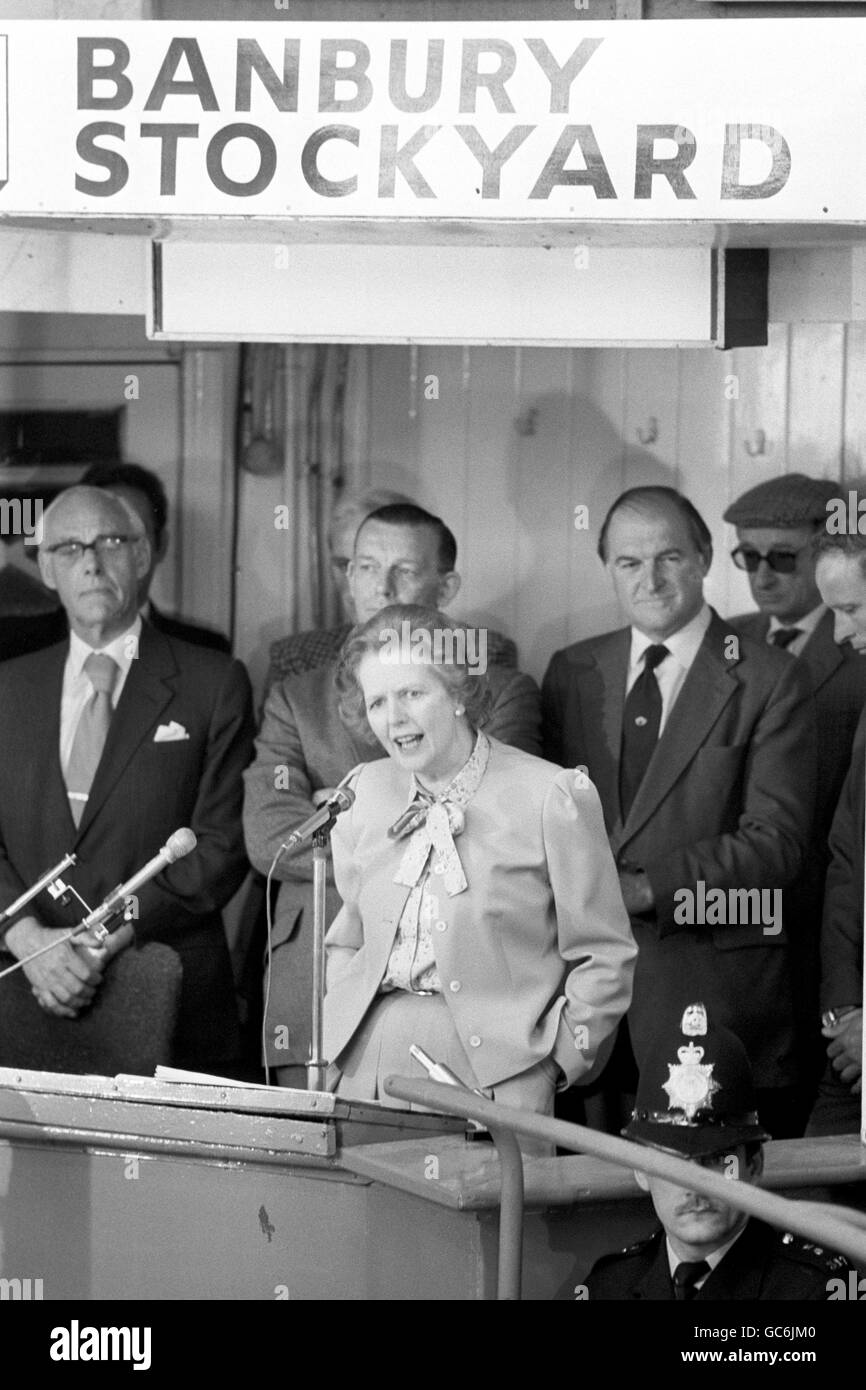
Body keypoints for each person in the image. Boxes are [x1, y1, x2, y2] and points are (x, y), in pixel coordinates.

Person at [541, 486, 816, 1138]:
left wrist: (645, 886)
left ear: (704, 558)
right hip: (585, 1004)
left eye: (669, 557)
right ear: (607, 566)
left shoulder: (770, 677)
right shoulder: (572, 671)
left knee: (714, 1214)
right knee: (593, 1214)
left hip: (717, 1002)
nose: (651, 579)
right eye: (628, 563)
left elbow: (777, 843)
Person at [243, 503, 541, 1086]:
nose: (380, 588)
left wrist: (340, 814)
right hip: (315, 982)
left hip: (464, 989)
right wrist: (413, 825)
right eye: (364, 567)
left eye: (404, 570)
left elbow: (484, 827)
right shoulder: (296, 697)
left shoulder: (501, 691)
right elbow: (268, 838)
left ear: (445, 586)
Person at [322, 604, 636, 1145]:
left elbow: (605, 956)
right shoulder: (362, 793)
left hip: (498, 1078)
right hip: (365, 1069)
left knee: (490, 1231)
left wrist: (553, 1065)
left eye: (412, 694)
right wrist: (335, 1036)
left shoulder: (551, 795)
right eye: (377, 701)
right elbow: (346, 940)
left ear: (460, 692)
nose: (393, 719)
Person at [0, 486, 254, 1071]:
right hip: (23, 988)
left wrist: (102, 939)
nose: (90, 562)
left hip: (169, 994)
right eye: (67, 548)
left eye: (110, 541)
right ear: (44, 567)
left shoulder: (213, 682)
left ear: (142, 556)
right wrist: (25, 938)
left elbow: (221, 845)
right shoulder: (8, 688)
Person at [724, 473, 866, 1115]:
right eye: (747, 558)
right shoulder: (725, 644)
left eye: (782, 557)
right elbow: (850, 856)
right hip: (789, 972)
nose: (762, 575)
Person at [558, 1004, 854, 1300]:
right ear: (641, 1169)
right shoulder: (608, 1288)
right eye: (672, 1161)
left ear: (754, 1165)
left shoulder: (816, 1288)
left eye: (716, 1159)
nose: (694, 1185)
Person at [0, 461, 230, 660]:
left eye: (116, 541)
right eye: (77, 543)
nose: (94, 561)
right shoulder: (14, 647)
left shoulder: (204, 652)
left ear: (157, 547)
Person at [805, 529, 866, 1135]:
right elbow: (846, 865)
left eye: (850, 609)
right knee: (804, 1215)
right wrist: (847, 1012)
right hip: (851, 1046)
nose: (841, 636)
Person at [265, 486, 417, 688]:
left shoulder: (468, 654)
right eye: (345, 565)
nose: (360, 584)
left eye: (397, 568)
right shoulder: (299, 660)